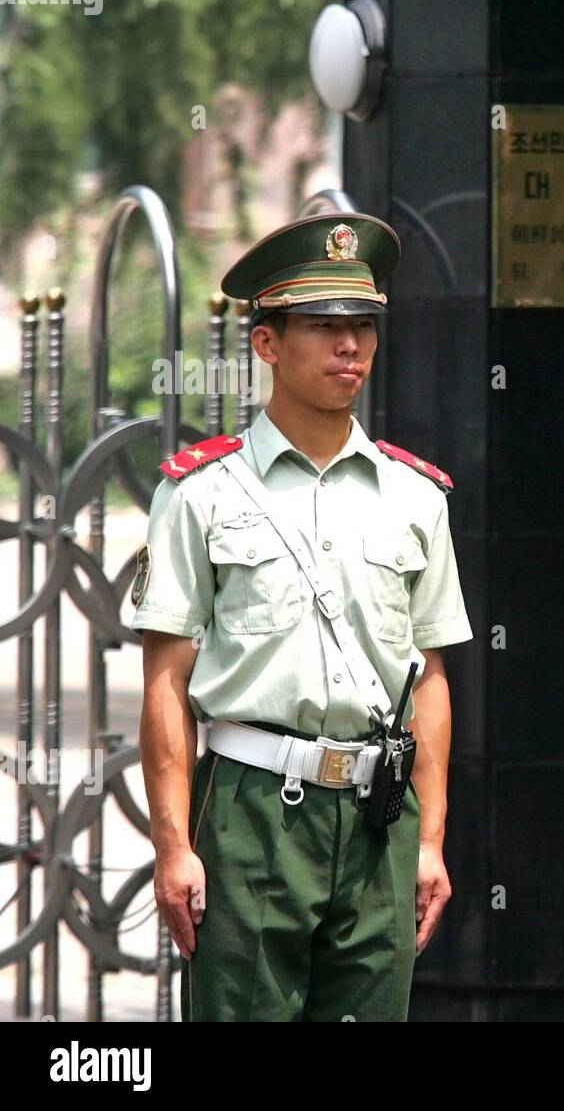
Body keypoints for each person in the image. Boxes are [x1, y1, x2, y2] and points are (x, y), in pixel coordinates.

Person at [130, 212, 472, 1021]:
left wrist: (430, 839)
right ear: (267, 344)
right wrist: (174, 845)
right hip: (251, 811)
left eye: (362, 326)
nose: (349, 346)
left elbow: (430, 678)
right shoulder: (200, 493)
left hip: (379, 814)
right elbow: (166, 684)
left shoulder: (415, 497)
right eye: (324, 327)